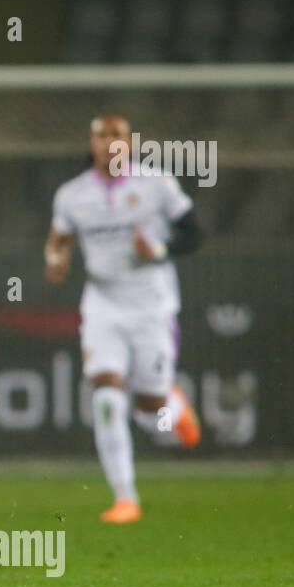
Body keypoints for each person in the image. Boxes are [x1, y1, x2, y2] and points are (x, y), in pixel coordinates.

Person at [44, 113, 204, 524]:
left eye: (116, 135)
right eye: (101, 136)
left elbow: (195, 233)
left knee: (149, 404)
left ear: (130, 143)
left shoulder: (157, 186)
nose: (109, 143)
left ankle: (171, 401)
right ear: (92, 143)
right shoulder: (73, 194)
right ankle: (125, 498)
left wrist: (160, 250)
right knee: (107, 395)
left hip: (151, 303)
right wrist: (55, 260)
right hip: (102, 304)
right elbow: (59, 239)